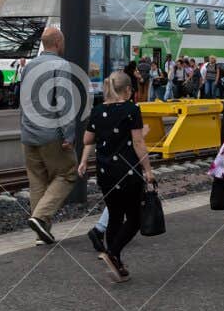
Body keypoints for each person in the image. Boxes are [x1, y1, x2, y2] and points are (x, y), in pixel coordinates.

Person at [77, 71, 153, 282]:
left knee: (115, 216)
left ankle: (116, 264)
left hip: (105, 173)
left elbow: (88, 139)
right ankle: (112, 253)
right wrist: (148, 170)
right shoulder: (131, 110)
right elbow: (138, 143)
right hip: (128, 173)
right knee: (135, 218)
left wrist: (83, 161)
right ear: (128, 90)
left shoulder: (98, 110)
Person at [18, 25, 83, 244]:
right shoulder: (61, 65)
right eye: (62, 42)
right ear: (57, 43)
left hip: (29, 133)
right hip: (51, 134)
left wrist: (24, 130)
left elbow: (23, 102)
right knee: (68, 173)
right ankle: (39, 217)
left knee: (37, 181)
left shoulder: (29, 67)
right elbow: (64, 103)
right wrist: (69, 135)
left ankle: (40, 234)